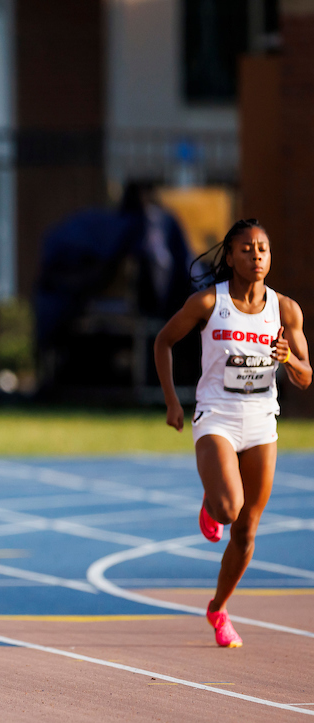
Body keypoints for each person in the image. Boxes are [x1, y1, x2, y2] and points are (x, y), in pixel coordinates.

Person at [154, 219, 310, 648]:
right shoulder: (208, 302)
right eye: (246, 249)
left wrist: (289, 360)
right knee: (228, 509)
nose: (256, 256)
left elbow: (305, 376)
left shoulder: (286, 310)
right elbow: (163, 342)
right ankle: (212, 500)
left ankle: (219, 609)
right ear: (230, 256)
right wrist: (171, 401)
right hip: (217, 417)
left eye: (262, 249)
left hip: (262, 422)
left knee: (246, 532)